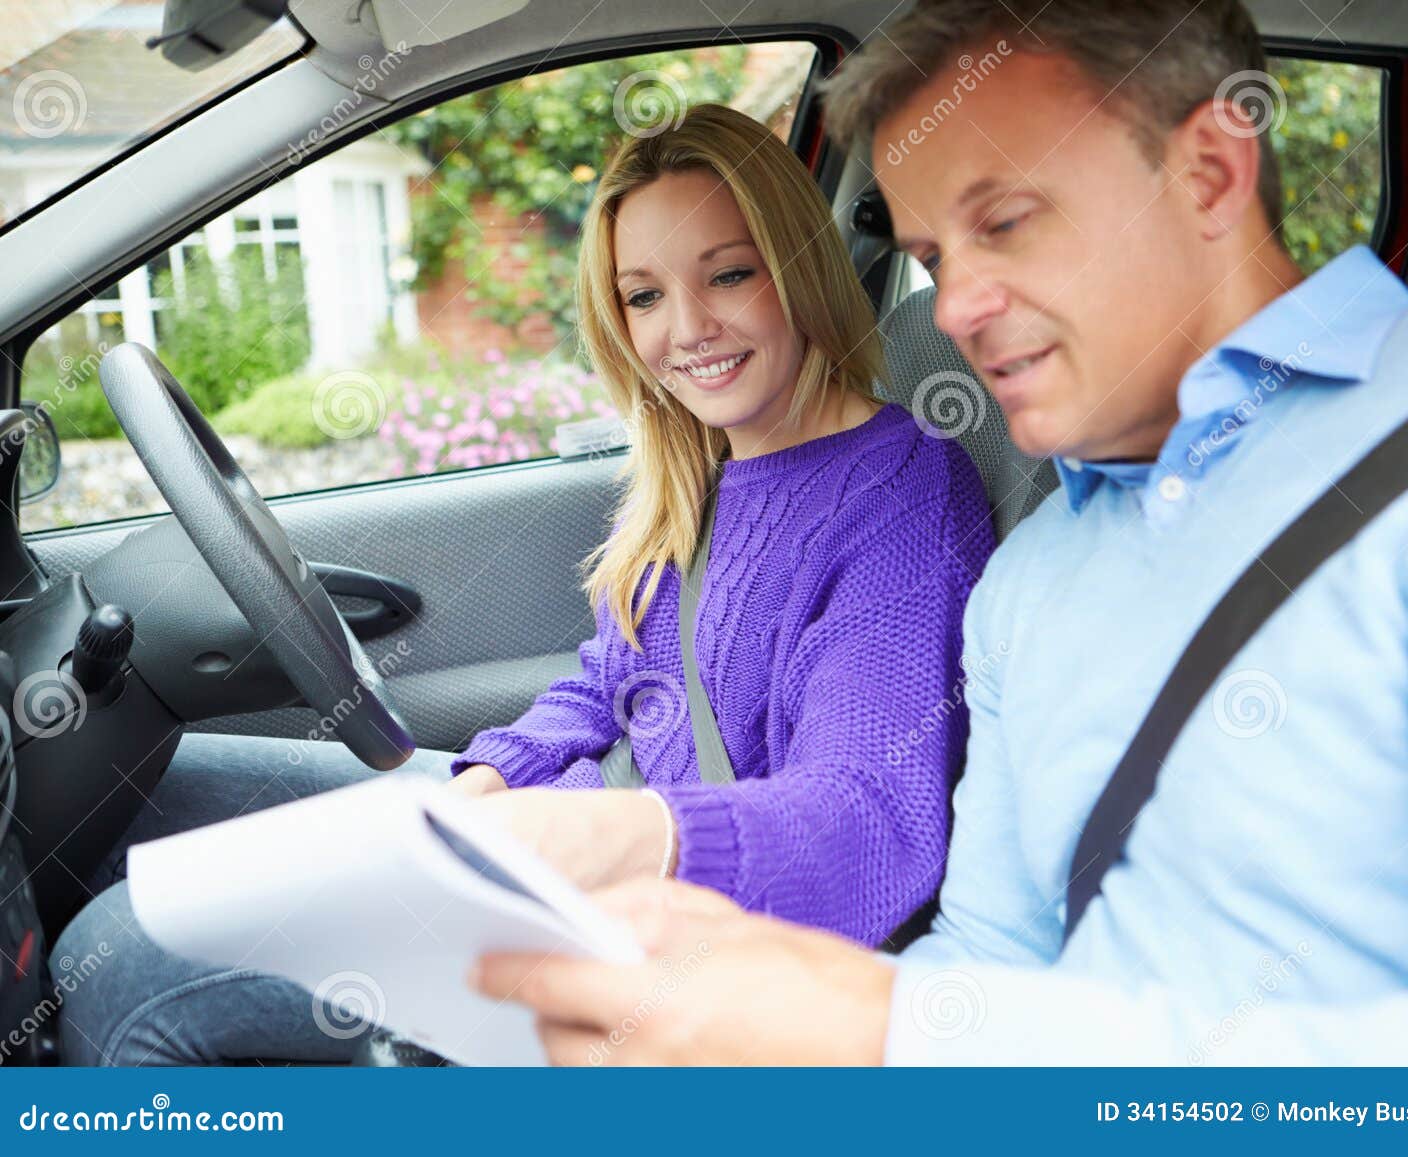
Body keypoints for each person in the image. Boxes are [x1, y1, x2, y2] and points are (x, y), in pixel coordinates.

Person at [474, 0, 1408, 1065]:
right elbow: (987, 958)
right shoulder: (1031, 576)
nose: (953, 307)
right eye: (931, 260)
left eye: (1004, 222)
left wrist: (877, 1033)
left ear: (1209, 171)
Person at [52, 102, 995, 1065]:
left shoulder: (903, 497)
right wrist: (497, 779)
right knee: (149, 785)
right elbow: (605, 680)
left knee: (119, 965)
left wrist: (590, 835)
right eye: (644, 296)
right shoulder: (701, 468)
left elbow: (865, 818)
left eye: (730, 273)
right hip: (577, 834)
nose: (688, 329)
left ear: (798, 266)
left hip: (677, 931)